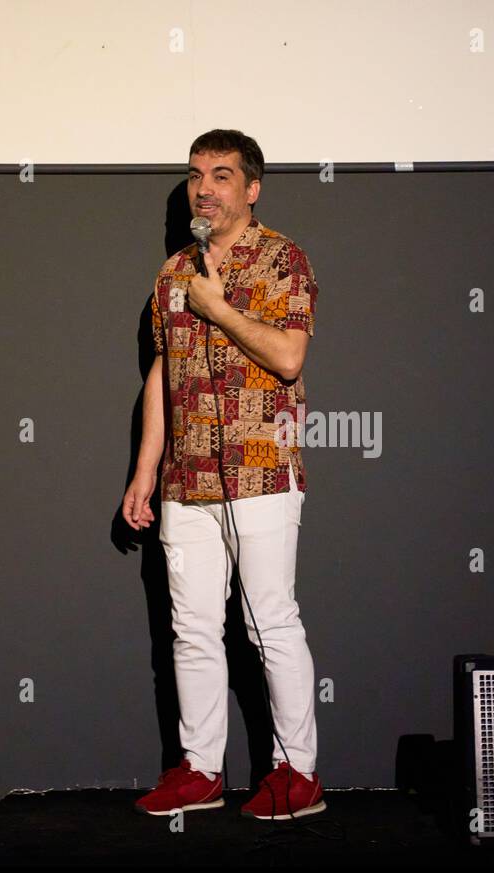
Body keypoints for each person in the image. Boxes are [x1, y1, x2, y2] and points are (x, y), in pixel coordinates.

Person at [121, 129, 324, 821]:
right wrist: (146, 469)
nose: (204, 188)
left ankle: (298, 774)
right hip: (187, 479)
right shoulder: (172, 272)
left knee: (271, 622)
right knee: (193, 629)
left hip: (263, 470)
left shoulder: (282, 259)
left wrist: (220, 310)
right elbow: (162, 371)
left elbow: (289, 357)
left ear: (252, 187)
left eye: (222, 175)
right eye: (196, 175)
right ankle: (202, 769)